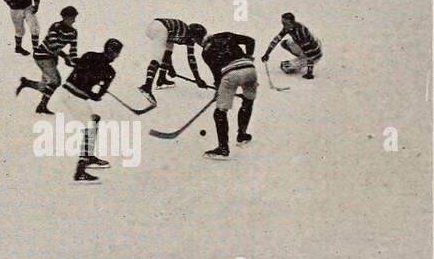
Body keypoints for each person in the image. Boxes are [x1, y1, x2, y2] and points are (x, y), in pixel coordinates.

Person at [51, 38, 122, 183]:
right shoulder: (109, 71)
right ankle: (80, 171)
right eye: (116, 53)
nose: (116, 56)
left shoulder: (89, 55)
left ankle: (88, 156)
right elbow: (96, 96)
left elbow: (78, 71)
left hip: (65, 93)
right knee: (90, 126)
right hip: (74, 97)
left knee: (94, 120)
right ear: (113, 52)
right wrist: (97, 93)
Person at [196, 29, 258, 159]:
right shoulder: (225, 35)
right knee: (248, 101)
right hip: (250, 69)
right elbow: (250, 41)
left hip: (230, 74)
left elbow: (217, 74)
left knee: (220, 112)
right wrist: (248, 57)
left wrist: (218, 90)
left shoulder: (206, 52)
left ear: (196, 40)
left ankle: (223, 148)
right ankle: (242, 135)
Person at [17, 6, 79, 115]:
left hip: (52, 58)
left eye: (74, 17)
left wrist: (74, 62)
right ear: (65, 18)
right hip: (42, 55)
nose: (73, 20)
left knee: (45, 87)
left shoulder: (73, 32)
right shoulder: (56, 27)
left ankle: (26, 83)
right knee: (55, 81)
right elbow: (53, 46)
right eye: (71, 17)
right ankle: (42, 106)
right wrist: (65, 57)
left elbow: (73, 51)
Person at [138, 18, 207, 104]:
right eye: (198, 38)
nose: (196, 41)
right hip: (160, 28)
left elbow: (167, 54)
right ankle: (147, 86)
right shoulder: (187, 35)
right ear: (194, 35)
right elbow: (191, 59)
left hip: (155, 26)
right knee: (157, 57)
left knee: (168, 50)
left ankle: (161, 78)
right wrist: (198, 79)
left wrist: (170, 68)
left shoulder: (184, 32)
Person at [261, 12, 322, 79]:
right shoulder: (288, 27)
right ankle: (301, 59)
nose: (283, 25)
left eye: (285, 23)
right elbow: (276, 40)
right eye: (282, 23)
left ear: (291, 22)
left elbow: (309, 52)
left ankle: (302, 62)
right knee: (284, 43)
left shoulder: (300, 32)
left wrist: (309, 72)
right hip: (304, 49)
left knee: (285, 67)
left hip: (314, 53)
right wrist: (267, 54)